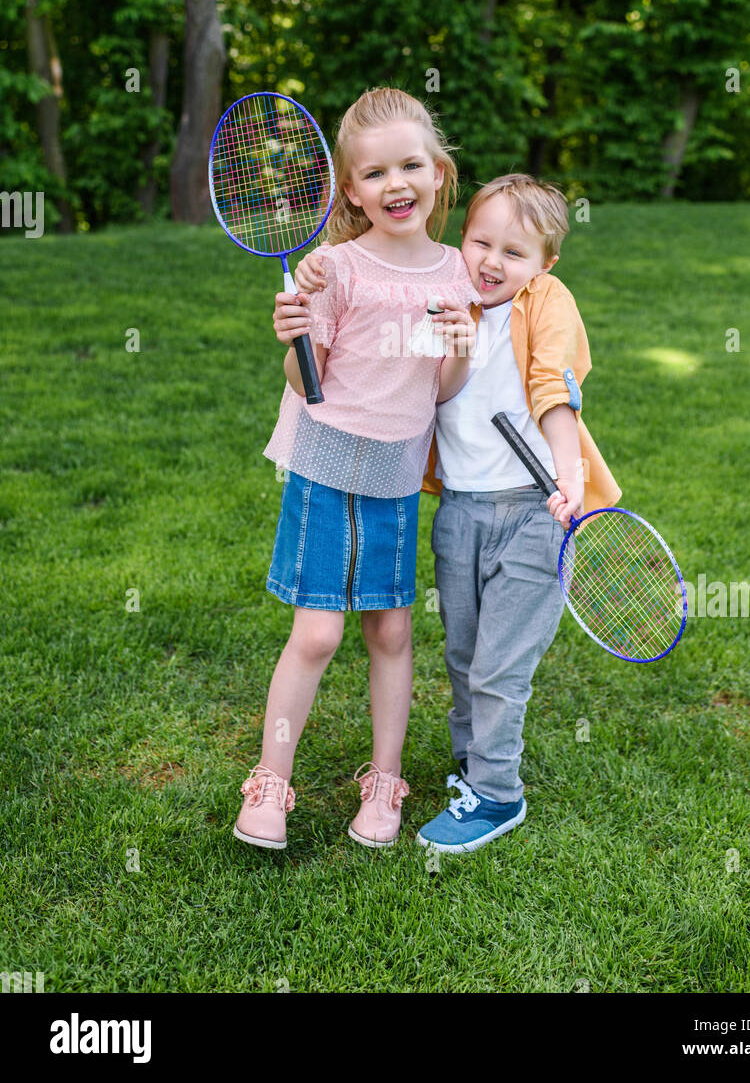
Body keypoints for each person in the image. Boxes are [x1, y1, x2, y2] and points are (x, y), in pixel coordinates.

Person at [295, 172, 620, 854]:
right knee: (466, 652)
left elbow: (552, 389)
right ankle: (474, 765)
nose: (493, 263)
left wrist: (568, 472)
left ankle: (497, 794)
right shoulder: (448, 303)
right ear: (460, 239)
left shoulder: (547, 304)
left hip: (537, 510)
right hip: (461, 514)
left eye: (515, 252)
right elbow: (389, 367)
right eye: (481, 242)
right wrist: (324, 272)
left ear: (545, 265)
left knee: (500, 664)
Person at [233, 88, 477, 852]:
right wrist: (292, 337)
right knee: (314, 635)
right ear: (350, 191)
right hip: (326, 464)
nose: (394, 183)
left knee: (391, 630)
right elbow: (310, 383)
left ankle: (385, 779)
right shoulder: (333, 268)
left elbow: (438, 392)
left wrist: (460, 351)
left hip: (397, 475)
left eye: (410, 165)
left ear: (438, 174)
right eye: (373, 174)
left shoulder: (453, 274)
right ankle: (270, 781)